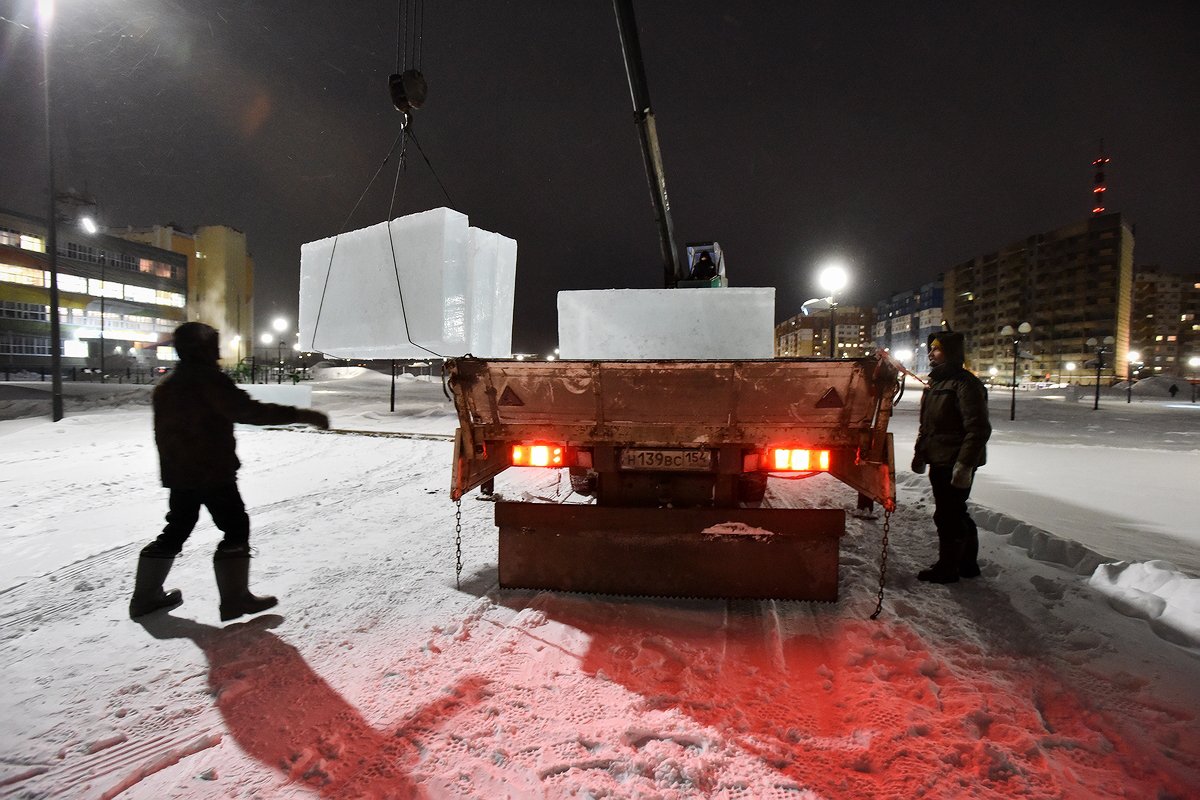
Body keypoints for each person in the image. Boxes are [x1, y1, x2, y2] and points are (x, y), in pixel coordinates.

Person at [129, 322, 330, 620]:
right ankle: (235, 599)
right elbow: (248, 411)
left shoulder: (168, 384)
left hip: (181, 474)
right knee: (235, 527)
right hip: (211, 472)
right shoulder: (207, 381)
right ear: (202, 348)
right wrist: (301, 414)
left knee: (177, 528)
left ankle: (145, 598)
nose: (219, 351)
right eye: (214, 345)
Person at [910, 330, 991, 583]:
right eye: (930, 349)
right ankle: (966, 564)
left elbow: (978, 429)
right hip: (940, 457)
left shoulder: (964, 383)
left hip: (954, 461)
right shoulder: (938, 383)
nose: (930, 353)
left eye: (937, 349)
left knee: (949, 515)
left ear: (951, 353)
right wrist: (921, 452)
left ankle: (948, 568)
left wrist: (964, 465)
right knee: (955, 512)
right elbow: (930, 425)